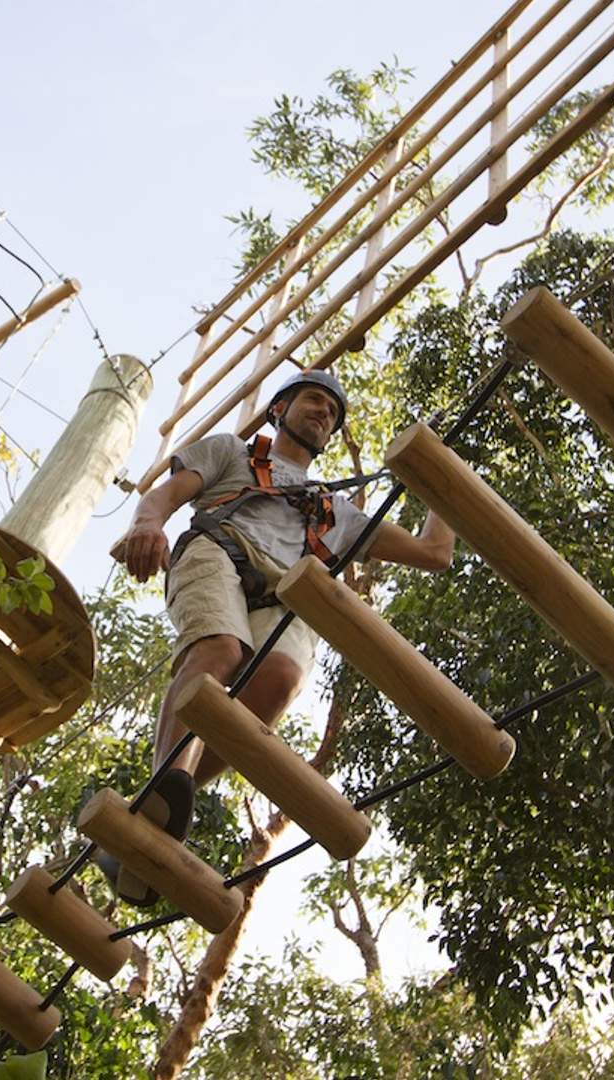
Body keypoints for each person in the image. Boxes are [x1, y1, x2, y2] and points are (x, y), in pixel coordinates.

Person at [107, 368, 456, 904]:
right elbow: (166, 495)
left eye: (333, 412)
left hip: (285, 592)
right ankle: (167, 781)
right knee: (222, 650)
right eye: (314, 401)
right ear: (279, 410)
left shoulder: (336, 512)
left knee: (281, 678)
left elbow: (434, 553)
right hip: (221, 549)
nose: (324, 413)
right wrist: (147, 524)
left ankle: (162, 804)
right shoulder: (232, 453)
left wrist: (443, 479)